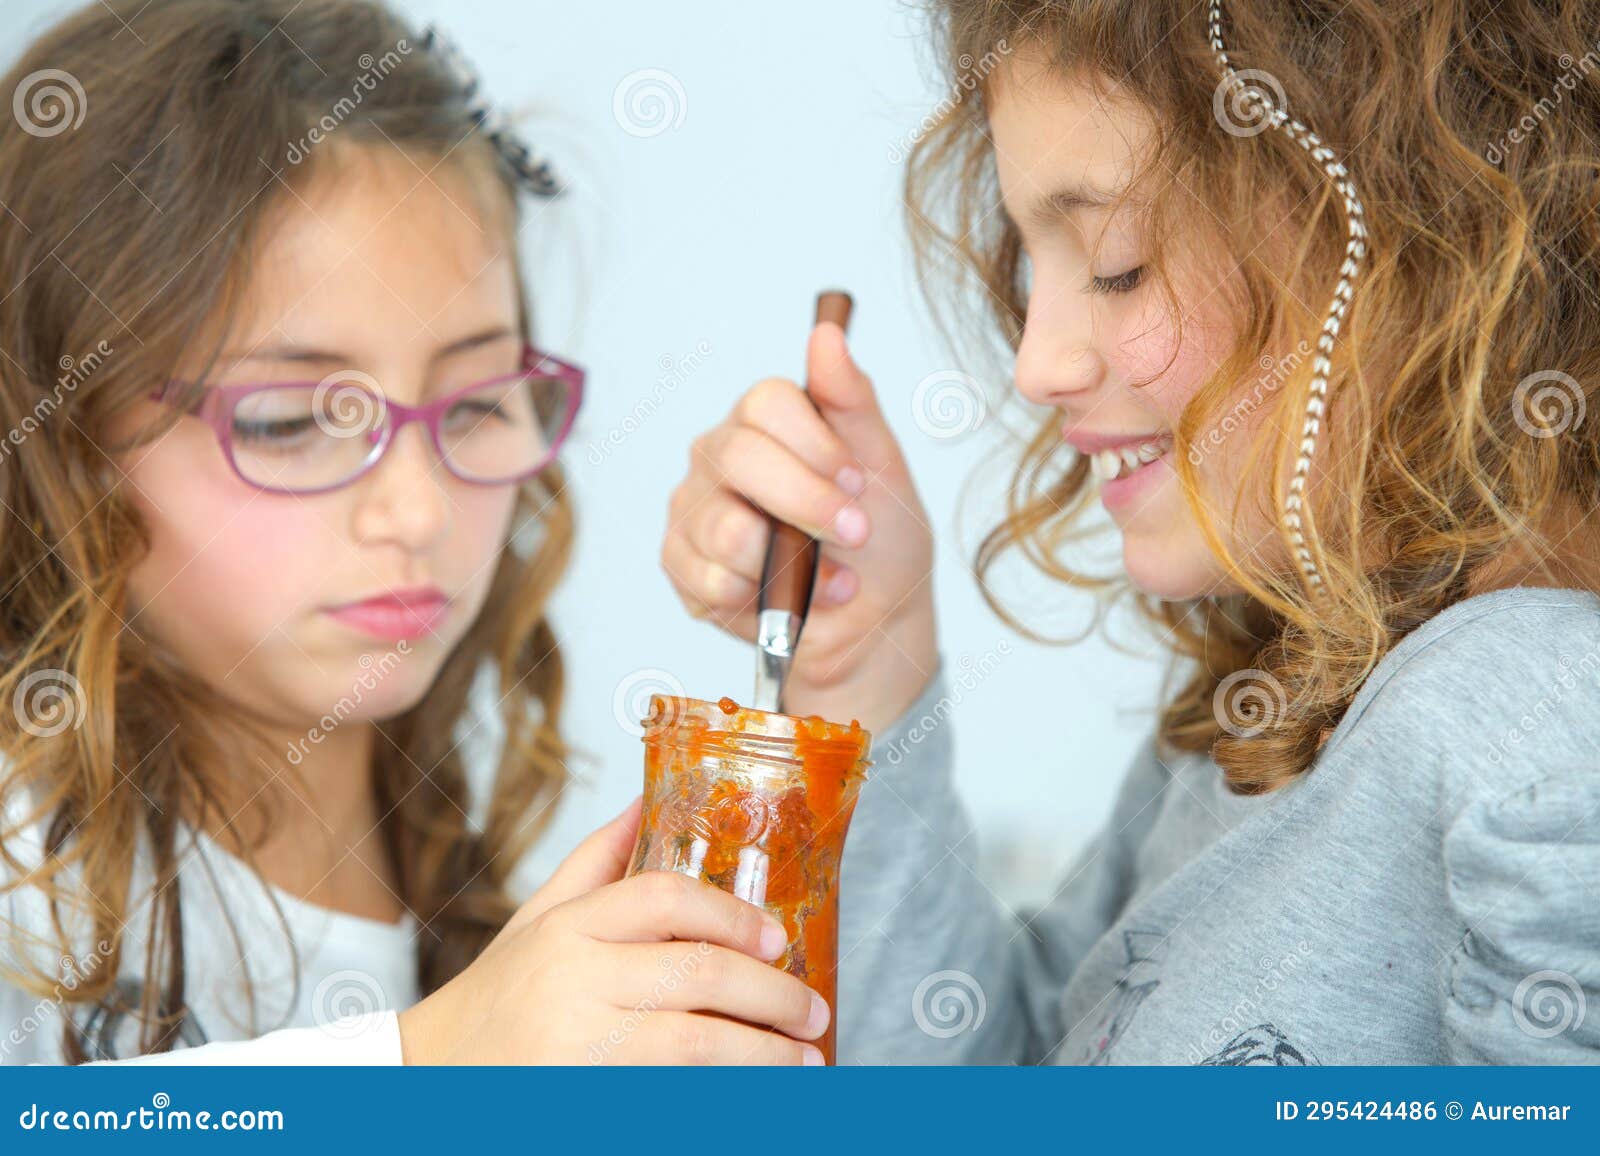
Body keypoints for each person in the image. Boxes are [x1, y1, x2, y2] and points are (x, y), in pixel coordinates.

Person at [665, 0, 1600, 1063]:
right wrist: (866, 656)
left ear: (1423, 244)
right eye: (1031, 268)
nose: (1035, 362)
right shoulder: (1250, 723)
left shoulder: (1541, 730)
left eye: (1116, 262)